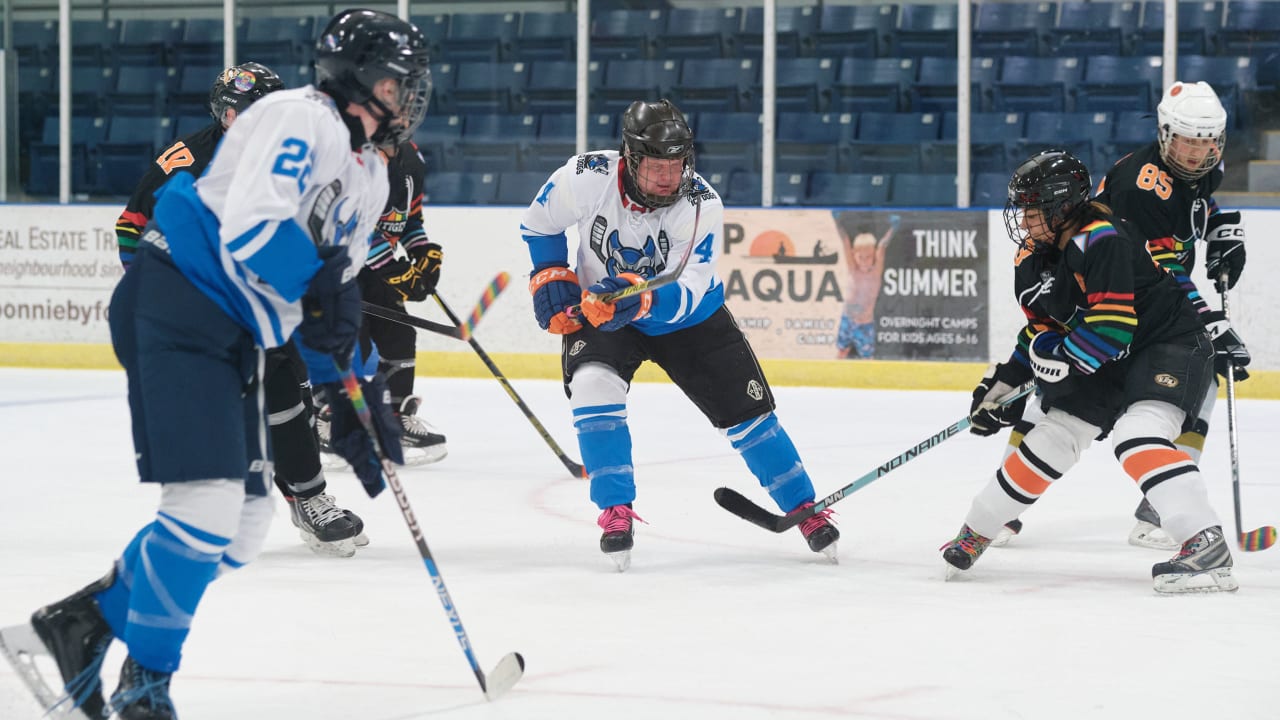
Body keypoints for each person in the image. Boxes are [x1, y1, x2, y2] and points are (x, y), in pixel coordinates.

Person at [1, 10, 430, 719]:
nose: (407, 97)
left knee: (243, 527)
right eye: (394, 82)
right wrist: (321, 296)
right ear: (355, 80)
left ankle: (81, 622)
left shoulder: (371, 177)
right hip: (178, 303)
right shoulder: (300, 118)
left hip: (238, 332)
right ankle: (145, 685)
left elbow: (329, 302)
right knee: (203, 509)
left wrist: (352, 391)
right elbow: (255, 227)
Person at [519, 98, 838, 572]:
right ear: (630, 158)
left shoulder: (702, 204)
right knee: (591, 384)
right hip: (605, 312)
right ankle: (615, 510)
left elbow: (688, 289)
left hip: (687, 320)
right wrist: (549, 274)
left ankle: (804, 508)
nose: (669, 177)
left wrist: (637, 298)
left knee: (748, 415)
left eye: (677, 165)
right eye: (657, 167)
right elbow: (539, 224)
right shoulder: (587, 176)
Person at [943, 149, 1236, 594]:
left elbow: (1113, 327)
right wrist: (1003, 384)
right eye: (1022, 207)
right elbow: (1042, 329)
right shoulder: (1031, 257)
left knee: (1137, 436)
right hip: (1109, 354)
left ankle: (1205, 543)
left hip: (1167, 344)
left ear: (1063, 207)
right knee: (1054, 435)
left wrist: (1058, 362)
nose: (1023, 218)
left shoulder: (1102, 238)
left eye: (1034, 208)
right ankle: (976, 530)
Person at [115, 62, 369, 559]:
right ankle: (214, 511)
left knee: (289, 394)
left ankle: (308, 498)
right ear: (225, 114)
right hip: (199, 307)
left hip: (262, 303)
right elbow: (131, 225)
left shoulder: (290, 159)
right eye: (247, 113)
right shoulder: (188, 158)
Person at [985, 82, 1252, 551]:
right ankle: (1003, 510)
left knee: (1197, 385)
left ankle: (1159, 508)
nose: (1197, 153)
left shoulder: (1207, 165)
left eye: (1207, 141)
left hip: (1145, 309)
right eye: (1187, 141)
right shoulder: (1137, 187)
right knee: (1053, 396)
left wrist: (1216, 226)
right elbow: (1157, 265)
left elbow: (1194, 202)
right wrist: (1206, 318)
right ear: (1165, 133)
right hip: (1103, 299)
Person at [339, 137, 448, 464]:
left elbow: (408, 220)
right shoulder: (350, 155)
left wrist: (420, 250)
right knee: (351, 342)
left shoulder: (412, 158)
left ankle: (393, 418)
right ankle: (327, 418)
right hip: (336, 268)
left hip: (374, 267)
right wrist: (395, 270)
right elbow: (351, 224)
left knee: (399, 335)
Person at [835, 213, 899, 359]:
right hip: (848, 320)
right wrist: (837, 221)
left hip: (864, 325)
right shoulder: (853, 270)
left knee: (868, 358)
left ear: (874, 256)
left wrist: (893, 227)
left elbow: (882, 246)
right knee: (842, 351)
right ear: (854, 255)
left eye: (868, 257)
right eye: (860, 257)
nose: (864, 261)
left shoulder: (875, 273)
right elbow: (845, 242)